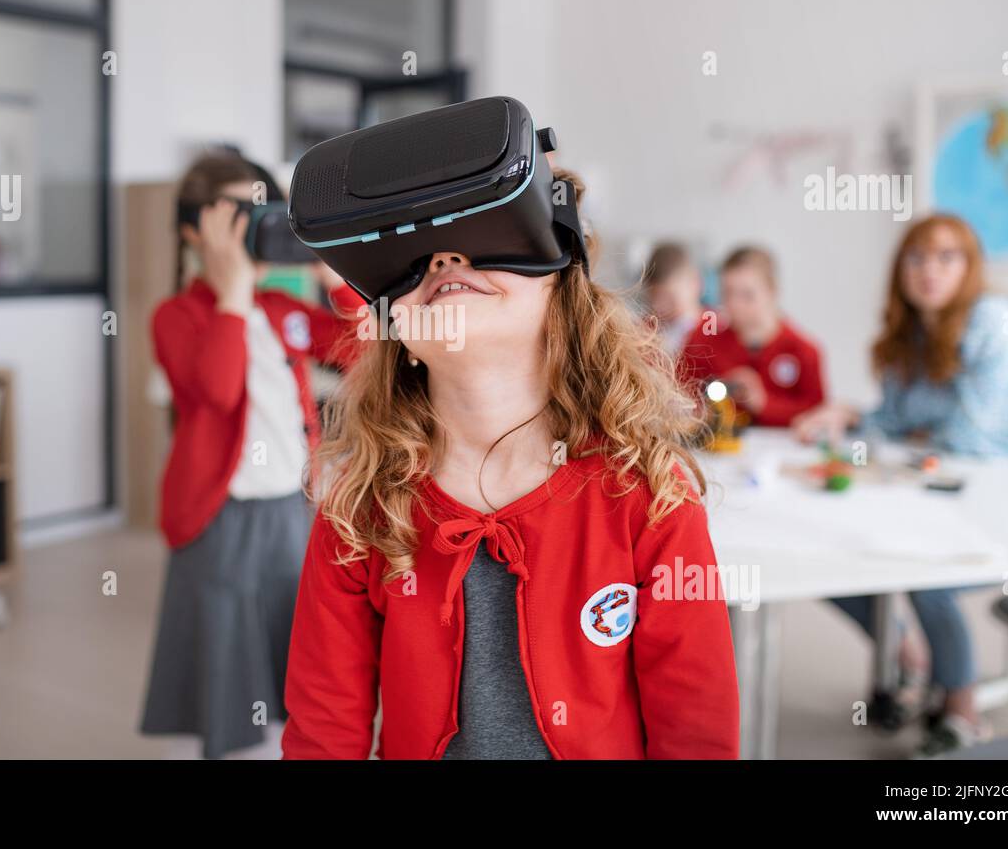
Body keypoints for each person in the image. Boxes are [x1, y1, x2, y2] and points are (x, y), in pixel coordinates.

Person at [280, 169, 740, 760]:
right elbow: (324, 731)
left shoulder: (649, 494)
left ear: (559, 290)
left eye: (480, 237)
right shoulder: (357, 508)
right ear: (397, 325)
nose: (443, 258)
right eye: (413, 257)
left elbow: (696, 729)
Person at [139, 151, 362, 759]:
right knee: (227, 671)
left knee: (295, 655)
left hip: (292, 508)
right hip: (220, 516)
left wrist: (330, 272)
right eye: (239, 212)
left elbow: (364, 348)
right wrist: (232, 289)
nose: (256, 225)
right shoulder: (176, 316)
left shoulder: (282, 311)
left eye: (263, 210)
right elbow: (215, 389)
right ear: (194, 230)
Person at [793, 213, 1008, 756]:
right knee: (826, 546)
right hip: (937, 485)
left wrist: (911, 431)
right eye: (917, 257)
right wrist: (848, 415)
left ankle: (961, 709)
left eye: (947, 256)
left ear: (969, 267)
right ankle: (905, 650)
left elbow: (972, 436)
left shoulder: (991, 320)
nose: (930, 269)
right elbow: (893, 422)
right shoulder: (909, 334)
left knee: (927, 568)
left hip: (1003, 493)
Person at [679, 245, 825, 427]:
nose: (734, 304)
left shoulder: (804, 351)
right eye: (727, 293)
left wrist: (764, 404)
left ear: (772, 291)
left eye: (747, 295)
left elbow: (818, 413)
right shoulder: (701, 341)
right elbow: (680, 398)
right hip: (716, 451)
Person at [641, 241, 705, 354]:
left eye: (668, 298)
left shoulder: (719, 329)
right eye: (653, 297)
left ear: (694, 283)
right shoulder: (641, 332)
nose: (658, 306)